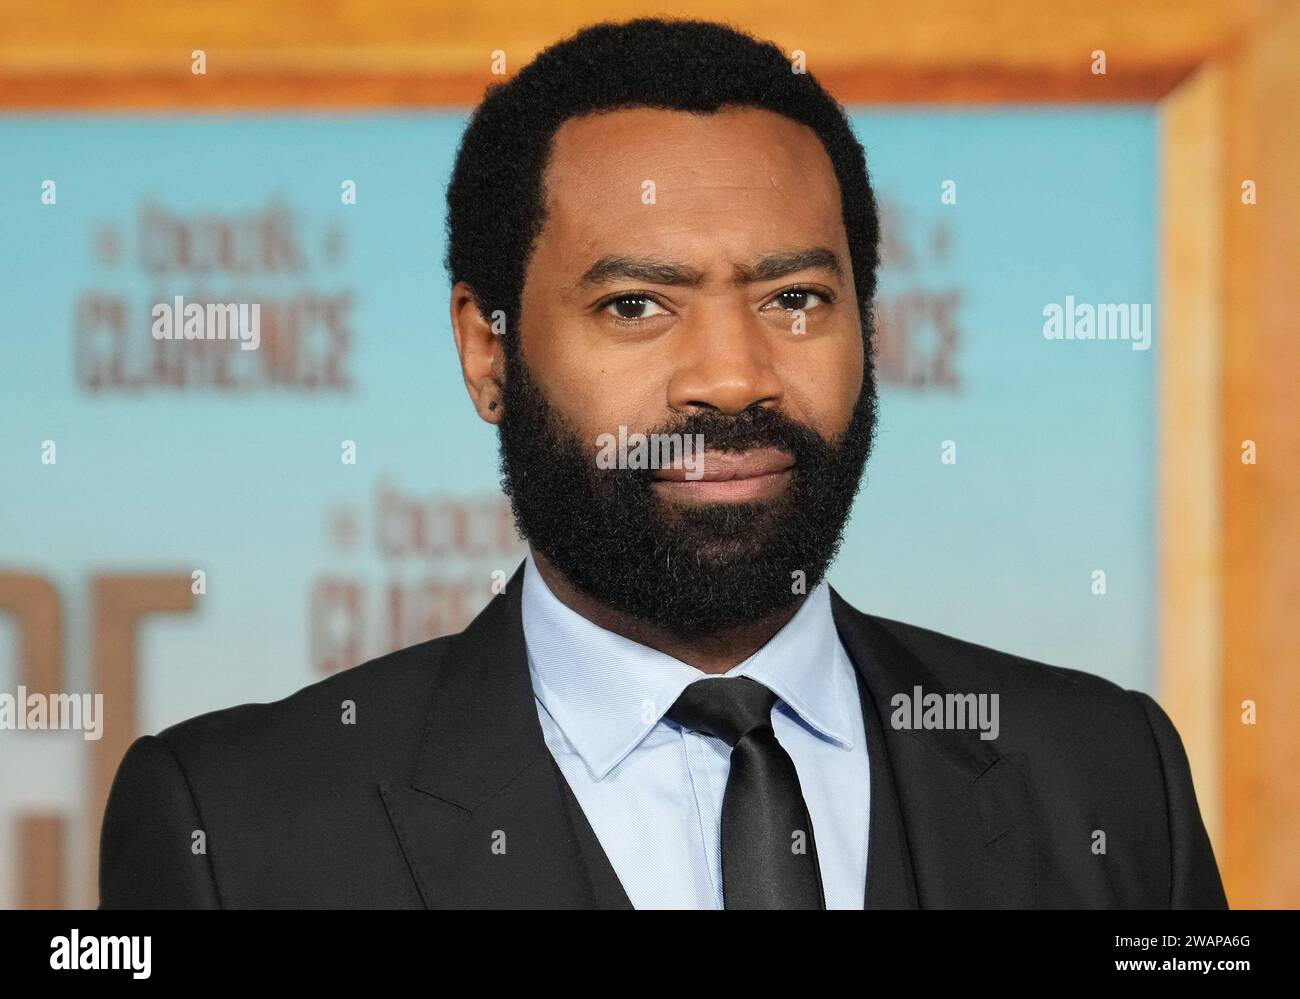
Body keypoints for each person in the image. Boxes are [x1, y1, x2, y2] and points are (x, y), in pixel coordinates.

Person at [100, 16, 1227, 909]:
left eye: (796, 298)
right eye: (636, 304)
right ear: (487, 350)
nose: (732, 379)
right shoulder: (236, 831)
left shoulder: (1109, 776)